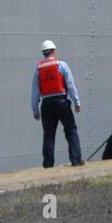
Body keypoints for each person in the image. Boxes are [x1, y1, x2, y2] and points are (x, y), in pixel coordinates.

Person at [31, 39, 83, 168]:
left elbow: (35, 91)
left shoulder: (38, 69)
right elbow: (70, 85)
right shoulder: (61, 65)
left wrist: (35, 110)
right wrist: (76, 102)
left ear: (43, 53)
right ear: (54, 51)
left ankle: (48, 164)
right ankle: (76, 160)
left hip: (46, 104)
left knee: (49, 134)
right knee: (71, 129)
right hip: (61, 101)